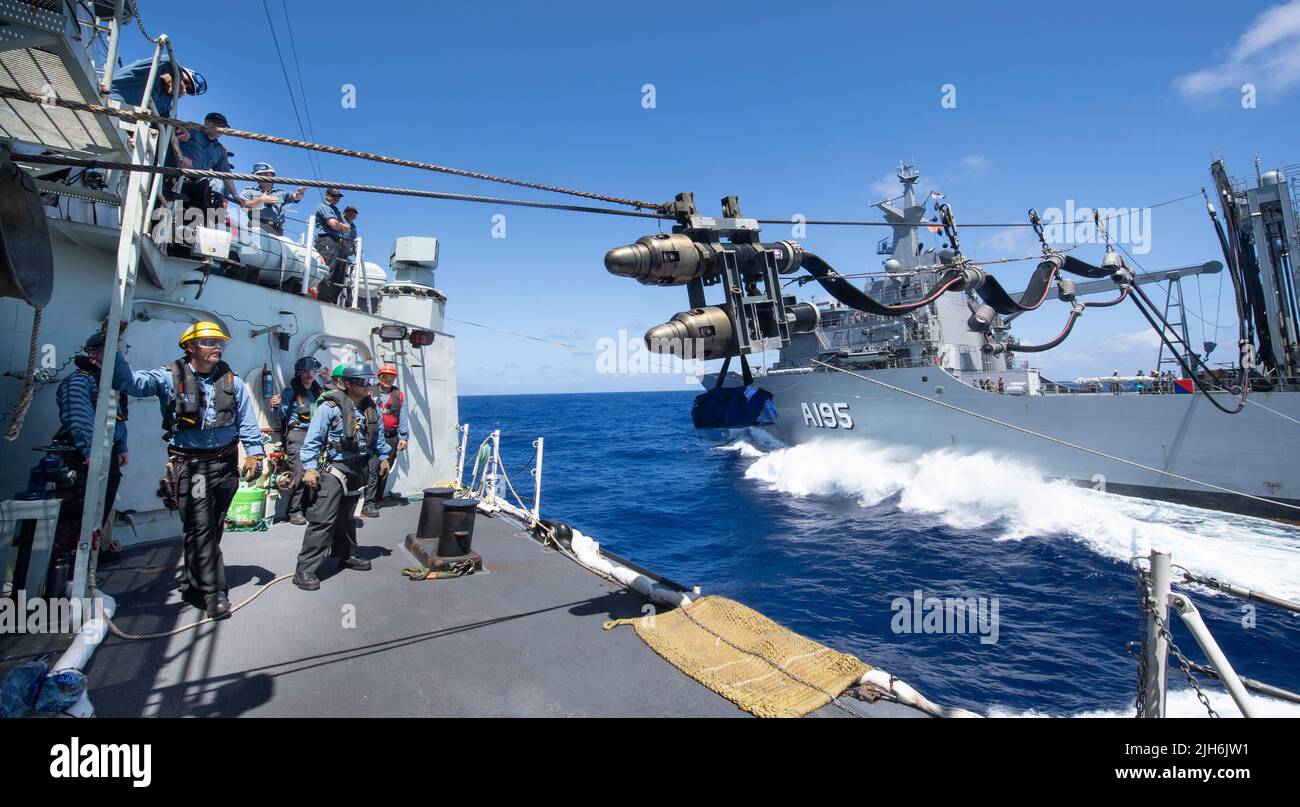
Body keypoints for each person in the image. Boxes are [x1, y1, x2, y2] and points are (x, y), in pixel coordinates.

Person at [112, 321, 264, 618]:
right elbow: (127, 383)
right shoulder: (168, 377)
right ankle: (214, 593)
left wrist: (255, 454)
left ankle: (194, 585)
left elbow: (246, 419)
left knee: (212, 526)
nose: (217, 346)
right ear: (190, 347)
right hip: (192, 467)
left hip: (225, 465)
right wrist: (113, 345)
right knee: (201, 527)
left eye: (221, 342)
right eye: (209, 342)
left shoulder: (232, 382)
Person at [293, 361, 391, 590]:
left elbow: (378, 437)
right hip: (334, 469)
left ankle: (346, 554)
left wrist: (384, 456)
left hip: (358, 469)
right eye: (362, 381)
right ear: (347, 384)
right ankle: (304, 570)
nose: (368, 386)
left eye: (370, 381)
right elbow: (313, 439)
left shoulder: (371, 408)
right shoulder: (330, 408)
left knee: (347, 517)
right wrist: (309, 468)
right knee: (323, 519)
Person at [51, 330, 128, 561]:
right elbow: (78, 417)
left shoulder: (110, 383)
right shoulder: (79, 381)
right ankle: (60, 571)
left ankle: (81, 569)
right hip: (82, 458)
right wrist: (89, 451)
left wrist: (121, 446)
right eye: (108, 351)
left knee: (97, 514)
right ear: (92, 353)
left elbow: (117, 417)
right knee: (74, 517)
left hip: (107, 453)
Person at [271, 357, 322, 525]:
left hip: (315, 436)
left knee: (314, 471)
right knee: (299, 473)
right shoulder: (291, 390)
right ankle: (294, 511)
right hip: (297, 433)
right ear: (299, 372)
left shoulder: (318, 391)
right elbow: (281, 415)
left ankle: (309, 507)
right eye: (306, 371)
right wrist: (276, 406)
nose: (309, 375)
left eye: (312, 371)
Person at [178, 112, 255, 221]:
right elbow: (172, 135)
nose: (220, 128)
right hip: (176, 174)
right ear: (206, 122)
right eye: (217, 123)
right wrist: (180, 156)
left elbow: (226, 175)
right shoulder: (193, 129)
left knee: (211, 205)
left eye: (223, 126)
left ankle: (191, 229)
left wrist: (235, 196)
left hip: (195, 184)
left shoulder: (219, 151)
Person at [364, 363, 408, 516]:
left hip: (391, 437)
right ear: (379, 377)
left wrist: (404, 436)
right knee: (373, 468)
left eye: (390, 378)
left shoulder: (399, 395)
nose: (387, 380)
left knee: (385, 468)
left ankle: (378, 497)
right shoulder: (370, 392)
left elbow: (402, 417)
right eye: (384, 377)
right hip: (373, 437)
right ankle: (368, 501)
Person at [106, 56, 205, 118]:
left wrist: (180, 130)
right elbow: (168, 60)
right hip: (104, 101)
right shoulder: (148, 70)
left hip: (120, 123)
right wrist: (175, 79)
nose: (184, 87)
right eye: (185, 81)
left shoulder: (166, 102)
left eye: (187, 89)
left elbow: (165, 121)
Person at [239, 163, 306, 237]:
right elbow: (243, 205)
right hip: (256, 225)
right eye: (261, 175)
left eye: (267, 175)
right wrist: (261, 200)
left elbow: (295, 197)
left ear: (273, 176)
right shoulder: (250, 191)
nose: (264, 177)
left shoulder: (281, 193)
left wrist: (300, 193)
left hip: (276, 230)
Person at [313, 189, 352, 304]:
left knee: (339, 273)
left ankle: (332, 300)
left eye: (338, 197)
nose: (336, 198)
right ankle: (323, 299)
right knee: (328, 270)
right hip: (327, 240)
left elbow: (341, 229)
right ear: (327, 195)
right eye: (334, 196)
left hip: (337, 243)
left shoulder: (336, 211)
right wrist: (344, 226)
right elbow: (334, 224)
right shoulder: (323, 207)